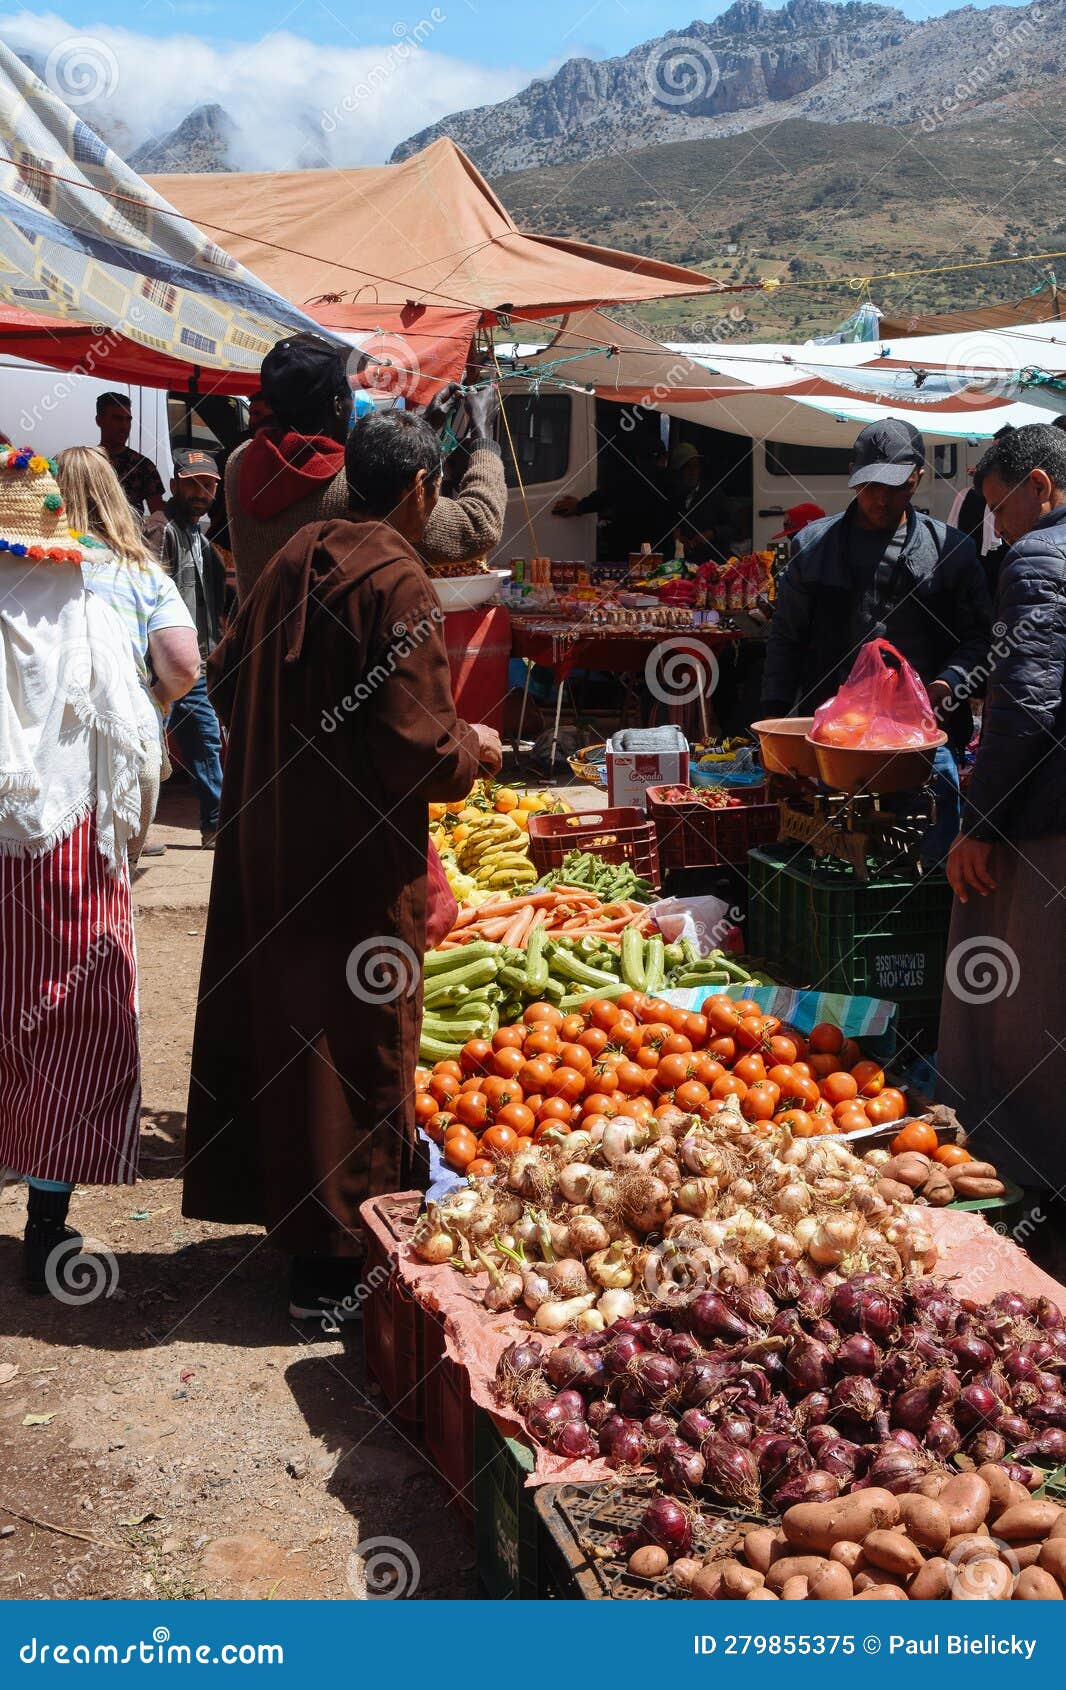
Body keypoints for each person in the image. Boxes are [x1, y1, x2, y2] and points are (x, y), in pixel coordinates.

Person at [182, 409, 502, 1320]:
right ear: (419, 490)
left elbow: (225, 673)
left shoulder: (295, 553)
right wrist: (473, 746)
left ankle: (303, 1237)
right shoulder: (399, 581)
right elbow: (416, 751)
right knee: (358, 1038)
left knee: (291, 1026)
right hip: (357, 856)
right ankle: (335, 1269)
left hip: (277, 835)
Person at [0, 445, 146, 1294]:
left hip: (49, 846)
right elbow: (130, 736)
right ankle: (46, 1224)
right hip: (67, 853)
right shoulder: (82, 609)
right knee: (72, 1027)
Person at [761, 418, 992, 861]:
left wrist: (949, 682)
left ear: (918, 477)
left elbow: (981, 640)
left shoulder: (952, 551)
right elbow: (785, 639)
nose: (881, 499)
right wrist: (773, 724)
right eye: (869, 486)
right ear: (853, 475)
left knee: (930, 867)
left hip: (924, 743)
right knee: (837, 863)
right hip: (835, 747)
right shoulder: (812, 546)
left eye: (896, 487)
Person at [938, 423, 1066, 1191]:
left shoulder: (1039, 558)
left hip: (1048, 810)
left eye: (1002, 508)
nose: (998, 526)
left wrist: (979, 825)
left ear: (1041, 489)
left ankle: (1030, 1165)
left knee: (1023, 989)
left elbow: (1027, 699)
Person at [225, 333, 507, 601]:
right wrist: (484, 436)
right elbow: (476, 527)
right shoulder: (352, 482)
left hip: (259, 647)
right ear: (338, 405)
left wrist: (420, 432)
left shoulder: (238, 464)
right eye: (348, 396)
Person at [55, 448, 201, 862]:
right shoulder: (144, 573)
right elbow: (184, 665)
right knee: (112, 877)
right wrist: (158, 696)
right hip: (129, 747)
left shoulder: (32, 567)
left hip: (47, 748)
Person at [161, 449, 228, 848]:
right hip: (161, 663)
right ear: (174, 486)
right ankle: (130, 835)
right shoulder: (160, 529)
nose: (200, 492)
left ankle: (216, 824)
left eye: (208, 485)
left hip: (195, 662)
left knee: (205, 740)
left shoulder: (200, 538)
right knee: (146, 749)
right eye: (192, 483)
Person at [95, 391, 165, 518]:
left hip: (129, 536)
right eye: (117, 419)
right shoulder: (86, 462)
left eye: (128, 420)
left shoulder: (143, 466)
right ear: (99, 420)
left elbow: (158, 515)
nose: (124, 426)